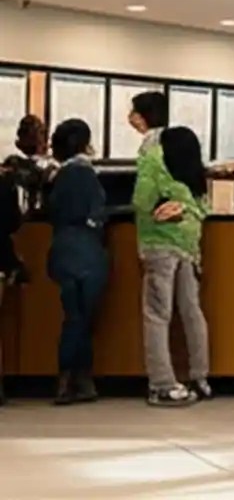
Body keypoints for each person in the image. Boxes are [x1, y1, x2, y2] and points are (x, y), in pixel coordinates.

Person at [133, 125, 211, 406]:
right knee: (192, 310)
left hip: (159, 246)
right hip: (189, 248)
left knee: (156, 314)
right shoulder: (194, 176)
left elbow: (141, 201)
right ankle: (200, 376)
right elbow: (204, 209)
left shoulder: (154, 164)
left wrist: (147, 157)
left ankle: (162, 384)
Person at [46, 119, 107, 405]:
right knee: (83, 318)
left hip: (62, 250)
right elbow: (98, 214)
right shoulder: (87, 175)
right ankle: (77, 377)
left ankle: (71, 378)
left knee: (73, 315)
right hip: (88, 252)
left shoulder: (57, 177)